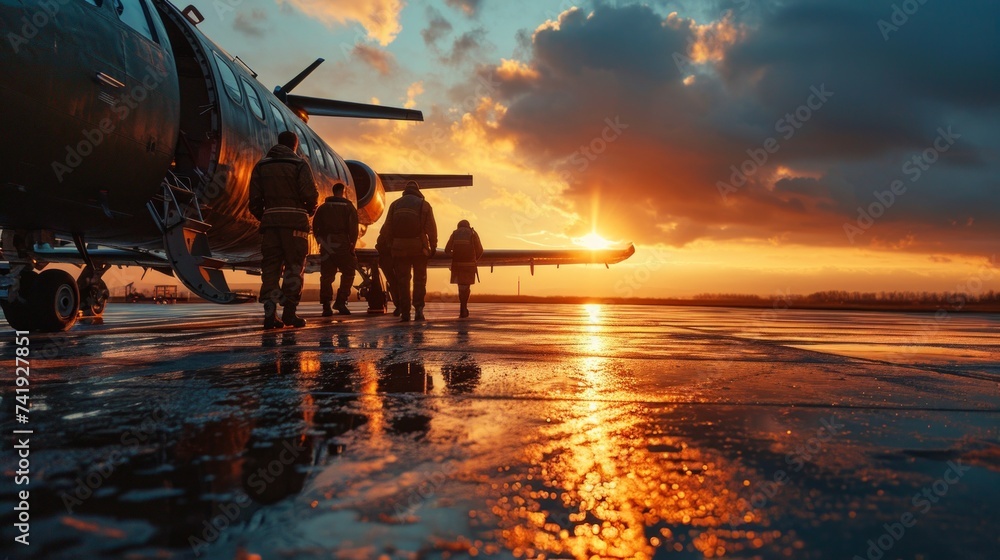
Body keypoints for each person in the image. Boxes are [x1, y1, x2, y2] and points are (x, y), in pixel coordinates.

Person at [249, 131, 318, 329]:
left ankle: (270, 314)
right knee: (294, 268)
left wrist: (266, 216)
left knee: (270, 268)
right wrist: (309, 209)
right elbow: (310, 194)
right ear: (294, 146)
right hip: (295, 225)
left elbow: (254, 200)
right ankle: (289, 313)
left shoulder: (261, 165)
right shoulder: (299, 165)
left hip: (270, 225)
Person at [378, 181, 436, 322]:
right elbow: (431, 228)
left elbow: (387, 228)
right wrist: (433, 246)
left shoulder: (395, 204)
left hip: (399, 249)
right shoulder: (424, 205)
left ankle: (405, 312)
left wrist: (391, 244)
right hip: (419, 249)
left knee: (403, 281)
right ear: (417, 190)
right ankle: (419, 311)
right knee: (419, 281)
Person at [312, 182, 358, 316]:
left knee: (326, 276)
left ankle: (326, 306)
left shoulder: (323, 208)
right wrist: (352, 245)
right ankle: (341, 301)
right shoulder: (349, 208)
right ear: (343, 192)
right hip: (342, 243)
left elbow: (316, 226)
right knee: (349, 272)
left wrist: (320, 241)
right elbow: (353, 228)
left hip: (327, 245)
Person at [444, 220, 484, 318]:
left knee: (460, 287)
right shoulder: (473, 233)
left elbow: (447, 250)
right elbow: (480, 250)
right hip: (469, 266)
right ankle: (464, 307)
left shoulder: (454, 233)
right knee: (466, 287)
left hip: (457, 265)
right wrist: (474, 260)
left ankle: (462, 307)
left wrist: (454, 256)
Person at [375, 227, 400, 316]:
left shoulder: (388, 224)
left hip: (387, 258)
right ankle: (403, 306)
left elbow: (379, 244)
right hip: (400, 256)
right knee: (402, 282)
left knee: (393, 282)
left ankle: (399, 306)